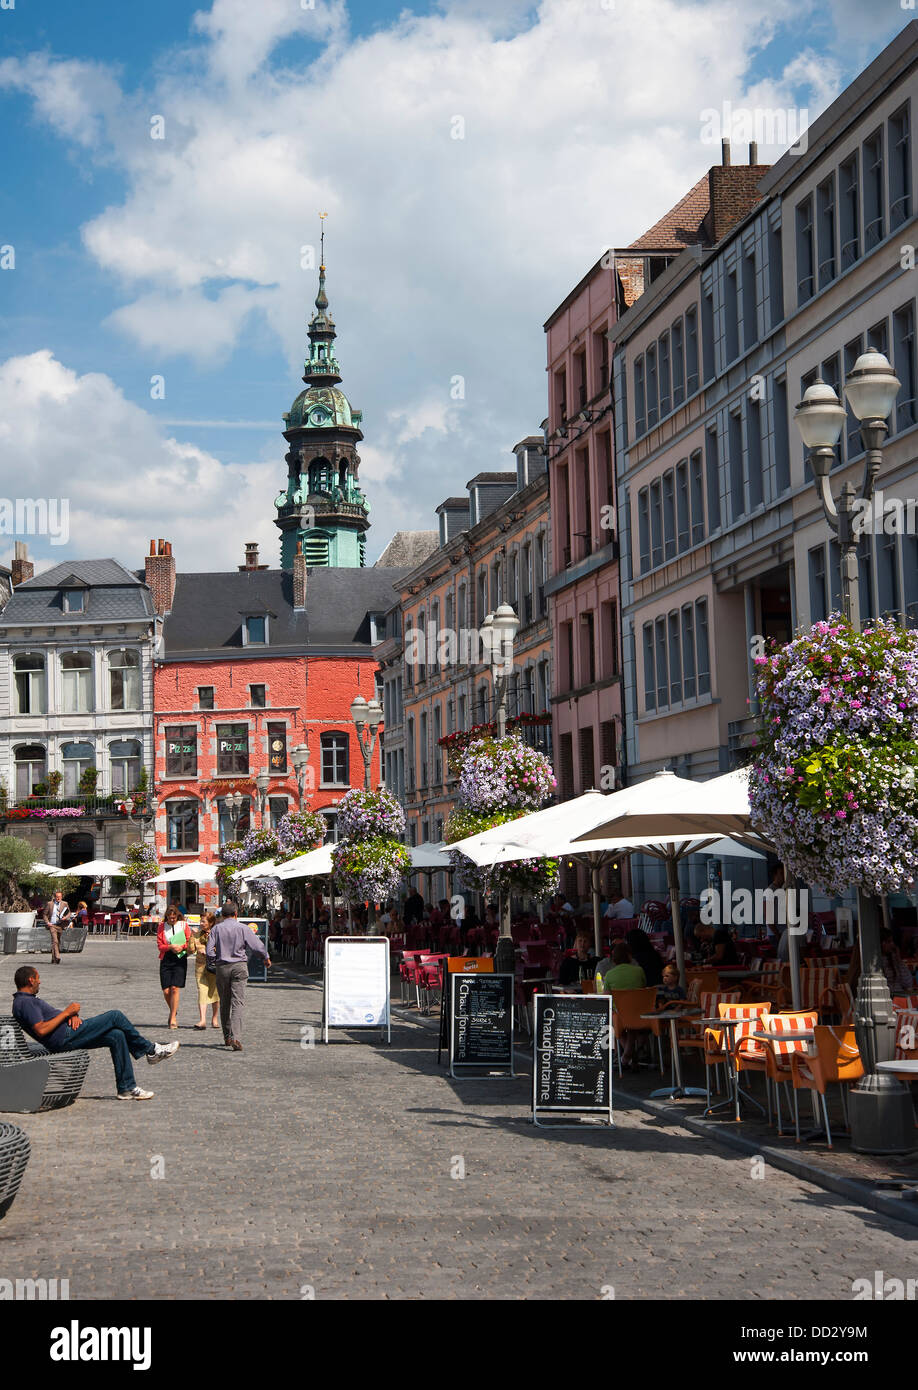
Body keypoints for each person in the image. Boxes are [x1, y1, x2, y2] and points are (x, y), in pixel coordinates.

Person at [12, 964, 179, 1100]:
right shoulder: (25, 1003)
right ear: (30, 980)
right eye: (38, 979)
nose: (40, 982)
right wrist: (66, 1013)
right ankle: (152, 1050)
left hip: (67, 1032)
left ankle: (126, 1088)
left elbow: (47, 1022)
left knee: (116, 1035)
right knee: (115, 1016)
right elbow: (41, 1030)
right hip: (65, 1037)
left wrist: (70, 1015)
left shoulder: (26, 1001)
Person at [206, 901, 271, 1051]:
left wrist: (213, 963)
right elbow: (257, 946)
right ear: (236, 914)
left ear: (222, 915)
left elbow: (210, 951)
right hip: (239, 967)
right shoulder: (243, 928)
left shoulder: (216, 929)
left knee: (225, 1002)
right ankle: (236, 1037)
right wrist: (265, 958)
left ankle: (227, 1036)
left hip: (222, 967)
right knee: (238, 1002)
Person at [157, 904, 193, 1029]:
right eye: (169, 918)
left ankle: (173, 1017)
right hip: (166, 958)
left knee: (174, 988)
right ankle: (173, 1009)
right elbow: (160, 945)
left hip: (180, 958)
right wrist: (170, 947)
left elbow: (189, 941)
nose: (172, 920)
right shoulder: (161, 927)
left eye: (174, 918)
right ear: (166, 917)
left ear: (177, 916)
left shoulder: (184, 925)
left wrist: (181, 947)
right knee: (166, 990)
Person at [190, 911, 220, 1030]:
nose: (201, 923)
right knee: (202, 991)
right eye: (200, 921)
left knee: (214, 993)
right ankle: (202, 1020)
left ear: (211, 923)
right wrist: (192, 938)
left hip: (214, 967)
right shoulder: (197, 935)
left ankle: (214, 1018)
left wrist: (211, 953)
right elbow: (190, 950)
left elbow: (223, 949)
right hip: (200, 968)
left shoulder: (217, 934)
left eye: (204, 921)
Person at [880, 928, 916, 994]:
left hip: (899, 995)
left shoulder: (893, 958)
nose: (892, 944)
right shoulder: (878, 963)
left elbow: (908, 982)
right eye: (889, 942)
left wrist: (898, 960)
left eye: (892, 941)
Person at [45, 889, 72, 965]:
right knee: (55, 941)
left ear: (61, 896)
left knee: (57, 942)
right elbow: (44, 914)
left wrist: (65, 917)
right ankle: (57, 956)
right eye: (57, 897)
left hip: (60, 925)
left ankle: (53, 958)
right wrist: (47, 922)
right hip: (52, 925)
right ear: (54, 897)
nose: (58, 898)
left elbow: (69, 913)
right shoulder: (49, 904)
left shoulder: (65, 903)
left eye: (60, 897)